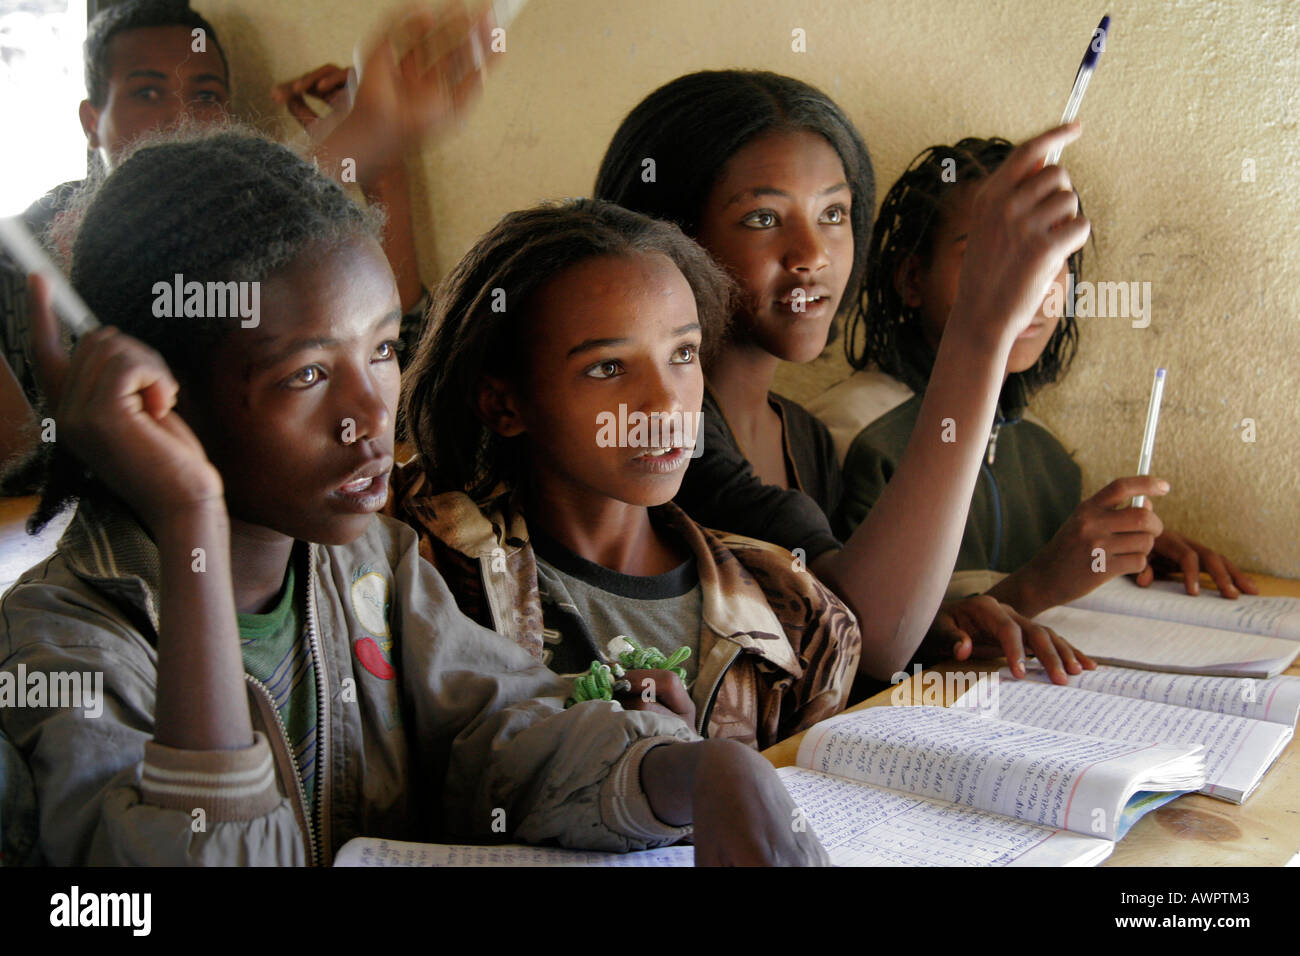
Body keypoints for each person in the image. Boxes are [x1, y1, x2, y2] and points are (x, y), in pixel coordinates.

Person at [0, 128, 827, 866]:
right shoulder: (63, 652)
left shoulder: (367, 567)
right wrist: (191, 525)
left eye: (386, 348)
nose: (369, 415)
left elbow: (507, 732)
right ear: (160, 401)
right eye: (308, 375)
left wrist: (696, 768)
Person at [594, 71, 1094, 684]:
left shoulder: (801, 434)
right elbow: (864, 641)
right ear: (668, 238)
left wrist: (944, 625)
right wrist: (981, 330)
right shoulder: (663, 436)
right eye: (762, 218)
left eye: (833, 211)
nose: (812, 253)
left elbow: (837, 618)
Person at [391, 199, 861, 748]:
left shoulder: (799, 616)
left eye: (683, 354)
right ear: (504, 405)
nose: (666, 407)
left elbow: (802, 816)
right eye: (609, 367)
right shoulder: (425, 567)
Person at [813, 136, 1256, 618]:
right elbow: (844, 650)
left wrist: (1116, 555)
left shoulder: (1047, 456)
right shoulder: (845, 437)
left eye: (1054, 255)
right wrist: (1036, 586)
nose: (1035, 284)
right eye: (993, 252)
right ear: (913, 279)